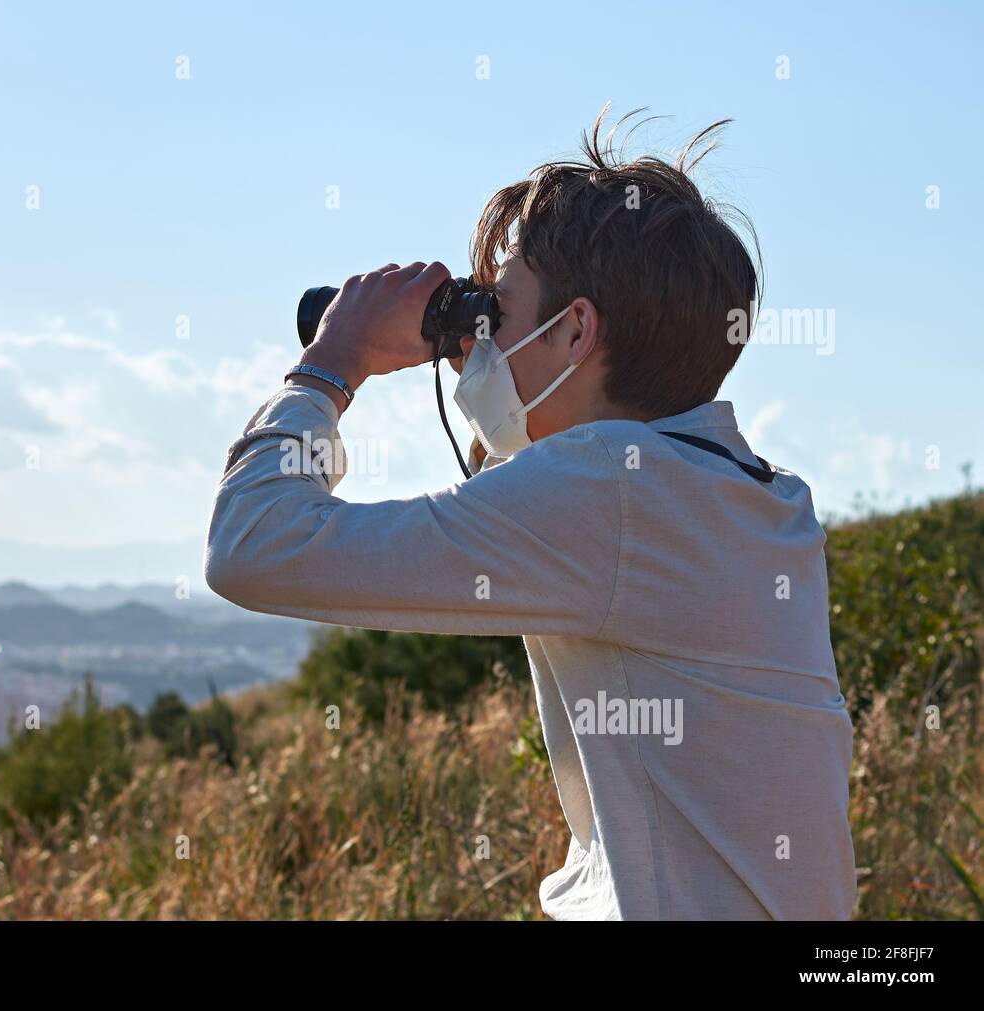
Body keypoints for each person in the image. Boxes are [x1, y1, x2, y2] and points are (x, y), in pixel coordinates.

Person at [204, 110, 857, 920]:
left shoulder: (610, 496)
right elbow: (545, 505)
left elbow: (253, 547)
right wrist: (498, 362)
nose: (478, 344)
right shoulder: (758, 494)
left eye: (496, 314)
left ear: (577, 327)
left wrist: (332, 364)